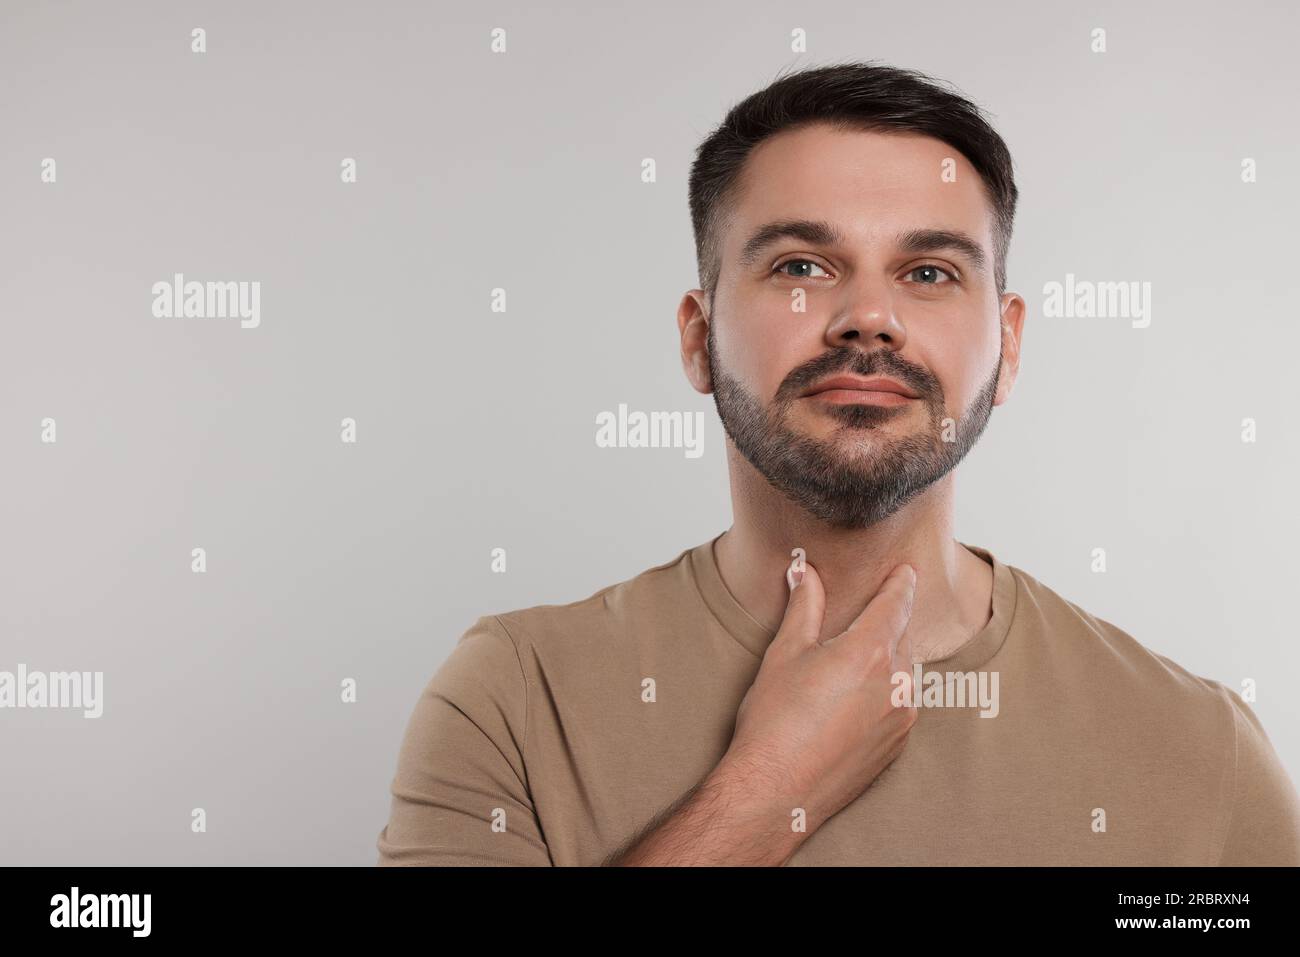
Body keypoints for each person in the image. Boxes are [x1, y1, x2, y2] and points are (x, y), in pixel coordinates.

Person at [376, 61, 1300, 866]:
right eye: (801, 267)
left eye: (929, 272)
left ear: (1008, 348)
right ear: (699, 340)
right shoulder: (513, 701)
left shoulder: (1200, 749)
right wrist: (770, 789)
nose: (867, 316)